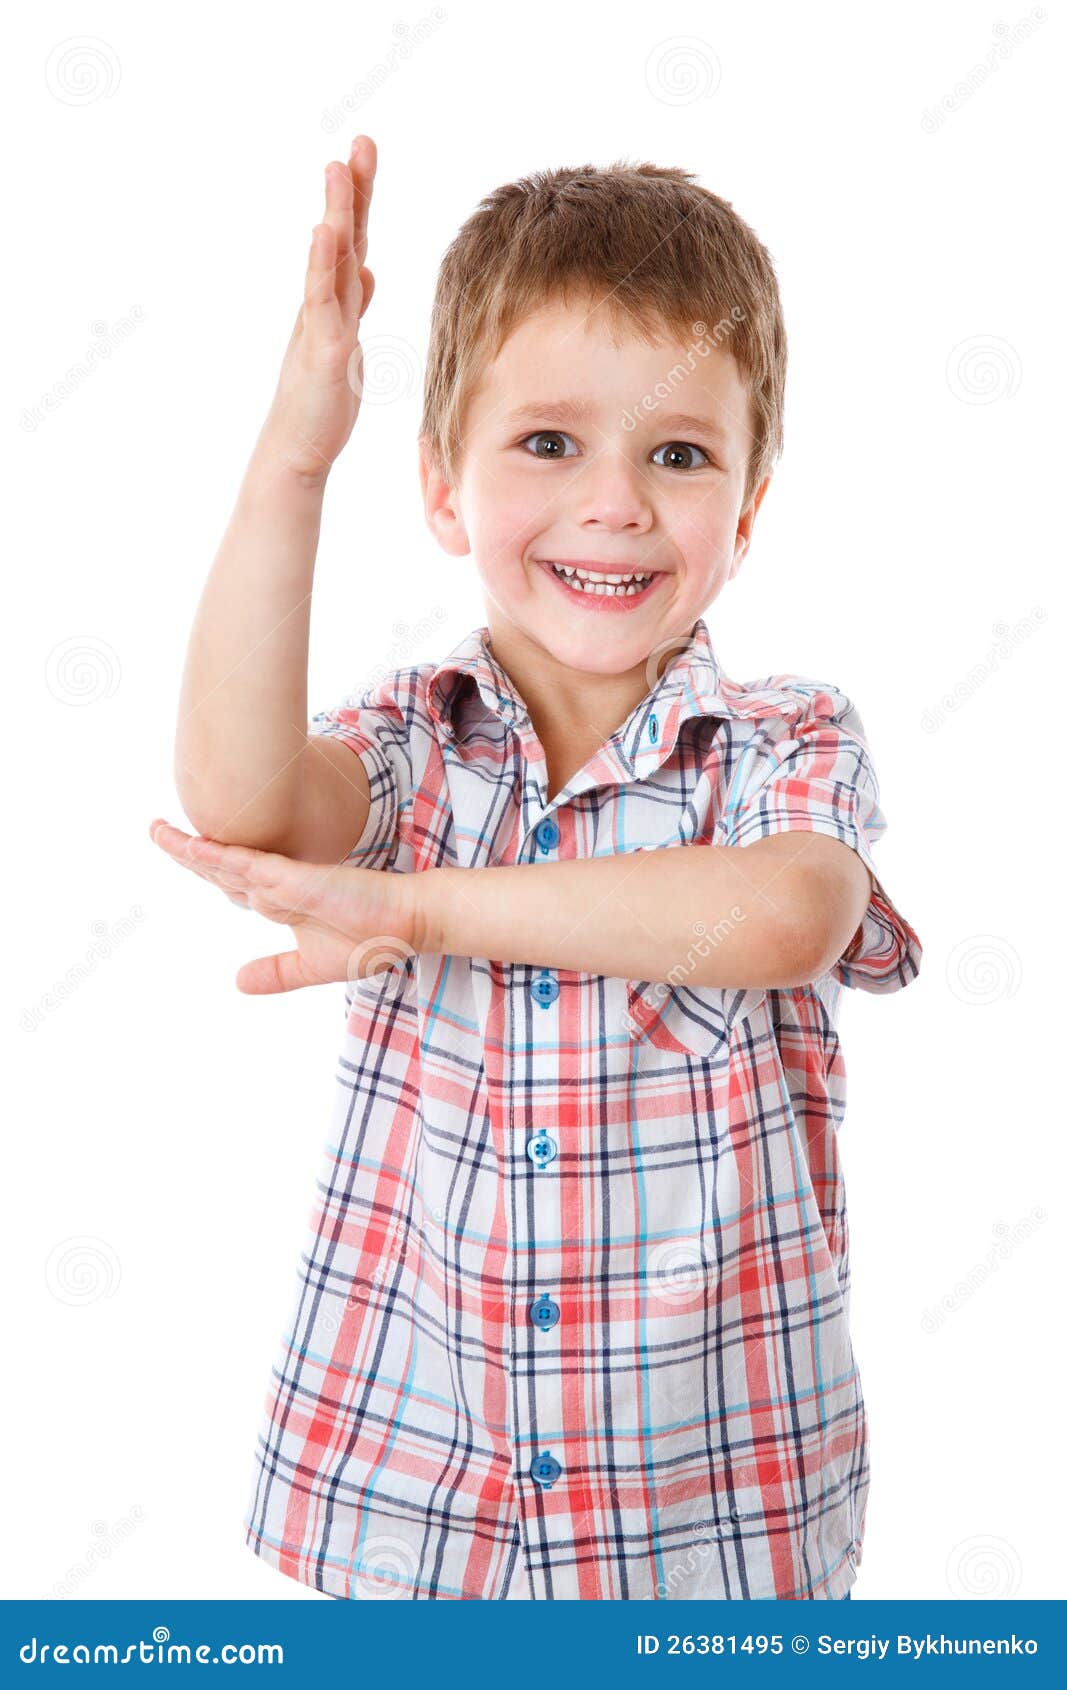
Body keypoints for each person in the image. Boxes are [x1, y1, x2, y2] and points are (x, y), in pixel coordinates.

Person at [150, 135, 921, 1600]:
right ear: (444, 488)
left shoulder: (783, 740)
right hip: (415, 1494)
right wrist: (295, 456)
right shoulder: (411, 741)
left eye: (679, 453)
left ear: (747, 512)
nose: (615, 502)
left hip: (709, 1522)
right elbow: (238, 794)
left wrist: (416, 907)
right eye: (549, 441)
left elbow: (781, 915)